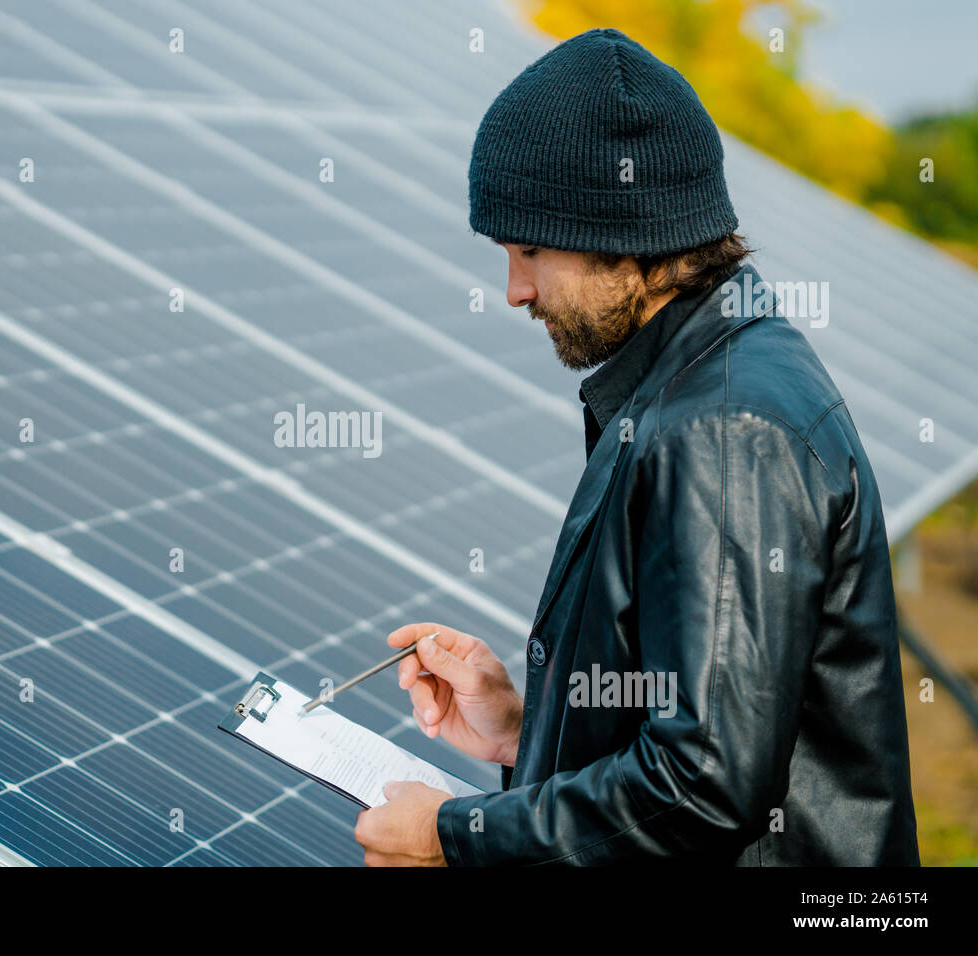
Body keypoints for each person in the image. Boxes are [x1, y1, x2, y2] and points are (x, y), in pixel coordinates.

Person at [352, 28, 918, 866]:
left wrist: (458, 839)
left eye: (530, 249)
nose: (514, 291)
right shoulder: (701, 381)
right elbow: (703, 726)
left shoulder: (726, 432)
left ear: (621, 230)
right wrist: (529, 732)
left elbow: (704, 784)